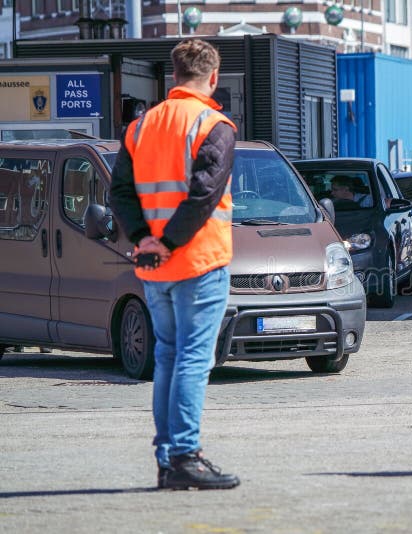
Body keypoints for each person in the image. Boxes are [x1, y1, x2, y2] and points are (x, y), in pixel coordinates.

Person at [110, 39, 240, 490]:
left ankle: (168, 460)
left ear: (173, 76)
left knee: (166, 358)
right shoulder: (215, 125)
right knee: (192, 361)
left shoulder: (140, 128)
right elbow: (204, 196)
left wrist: (147, 240)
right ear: (213, 77)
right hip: (199, 262)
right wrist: (166, 241)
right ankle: (185, 455)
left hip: (155, 268)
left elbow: (120, 195)